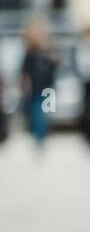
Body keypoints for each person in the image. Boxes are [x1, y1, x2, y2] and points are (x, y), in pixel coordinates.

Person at [19, 19, 57, 152]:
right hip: (35, 89)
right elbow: (24, 71)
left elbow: (54, 67)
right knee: (37, 115)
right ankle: (39, 139)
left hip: (48, 88)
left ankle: (43, 137)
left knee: (47, 115)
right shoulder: (30, 53)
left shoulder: (49, 51)